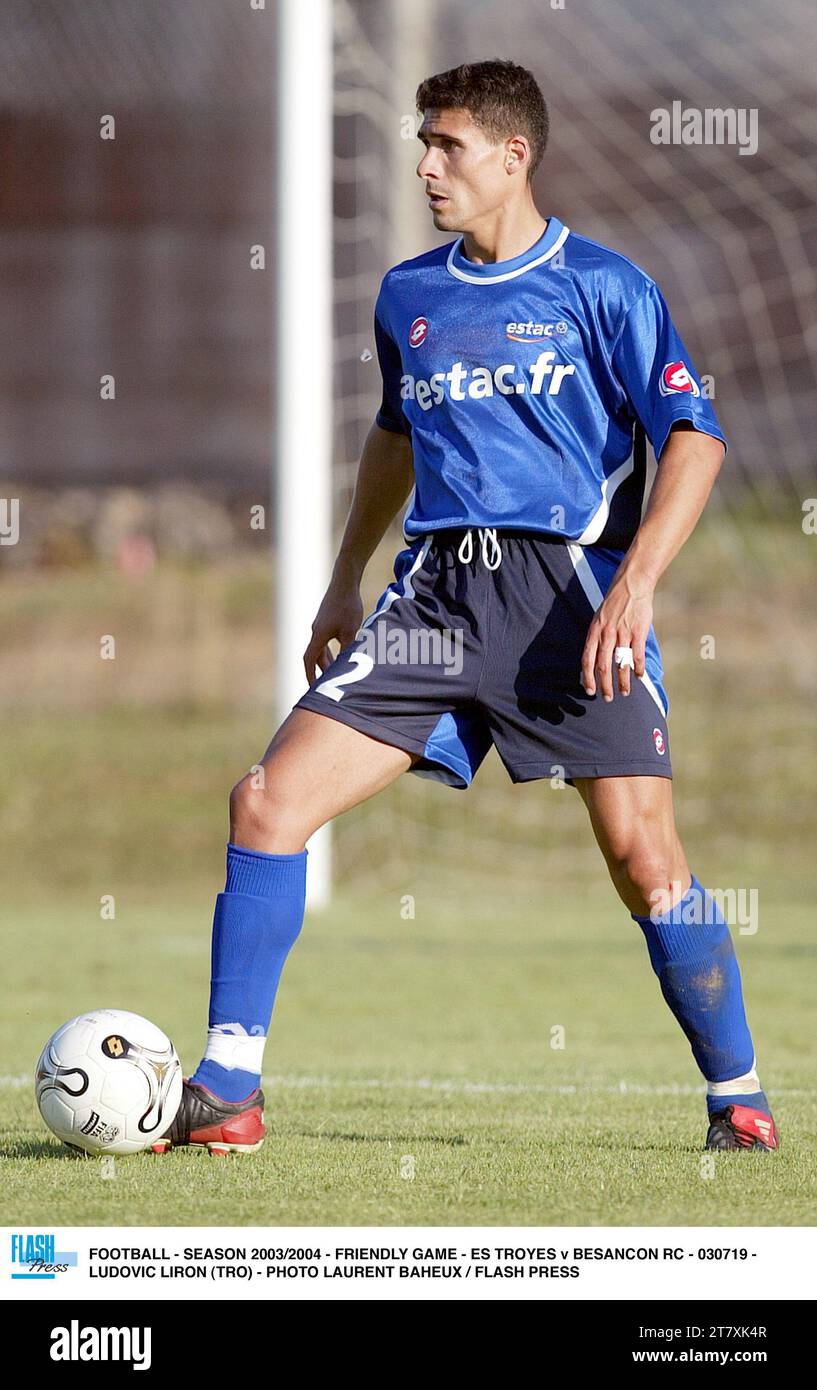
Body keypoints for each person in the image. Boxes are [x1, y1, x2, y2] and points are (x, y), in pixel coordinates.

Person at [154, 59, 779, 1157]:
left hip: (567, 598)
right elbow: (394, 434)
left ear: (511, 155)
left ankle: (738, 1097)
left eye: (447, 145)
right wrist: (347, 572)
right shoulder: (410, 294)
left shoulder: (604, 286)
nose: (427, 165)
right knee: (265, 804)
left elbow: (695, 436)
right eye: (423, 144)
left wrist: (634, 584)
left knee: (646, 861)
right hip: (433, 597)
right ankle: (229, 1088)